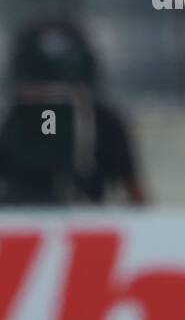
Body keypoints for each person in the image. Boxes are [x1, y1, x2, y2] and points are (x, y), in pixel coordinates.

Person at [0, 18, 146, 206]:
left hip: (86, 218)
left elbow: (136, 194)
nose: (52, 106)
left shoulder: (105, 123)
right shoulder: (7, 121)